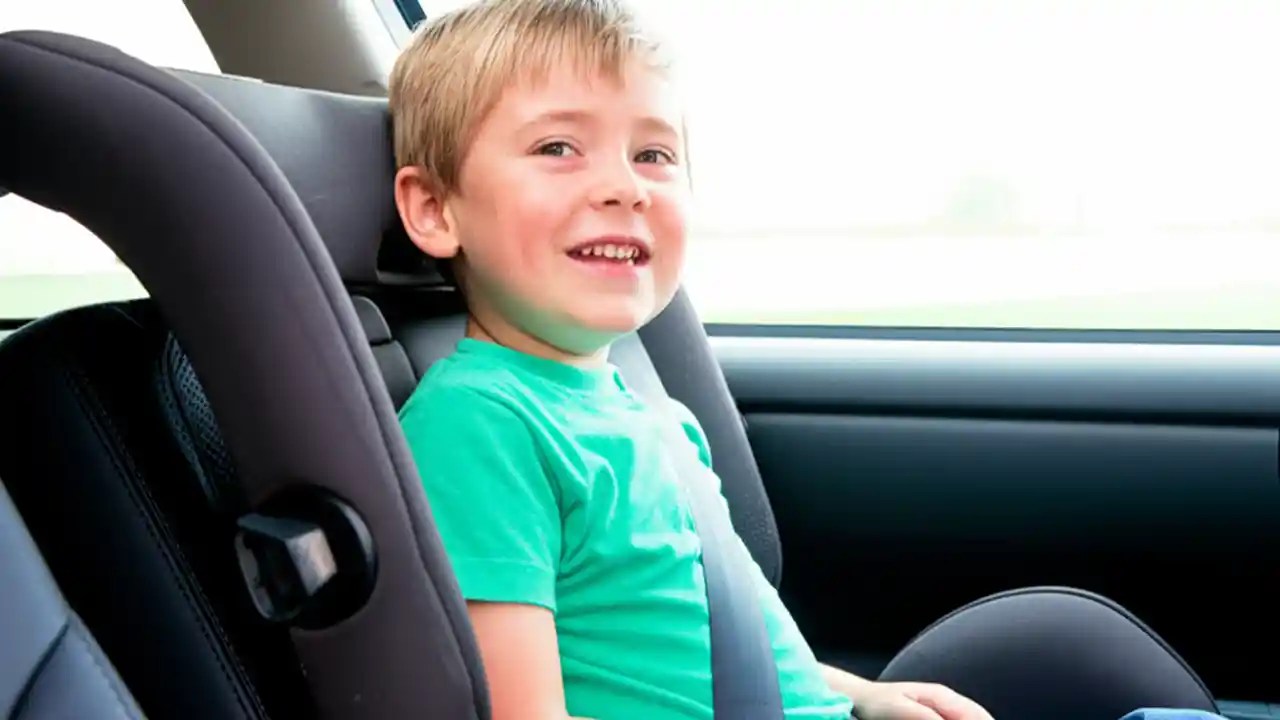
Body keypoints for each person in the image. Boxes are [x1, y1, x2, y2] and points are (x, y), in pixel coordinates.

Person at [389, 1, 1225, 719]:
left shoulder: (648, 411)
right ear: (434, 209)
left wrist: (858, 693)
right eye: (557, 149)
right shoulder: (480, 425)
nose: (626, 186)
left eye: (653, 155)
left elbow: (725, 639)